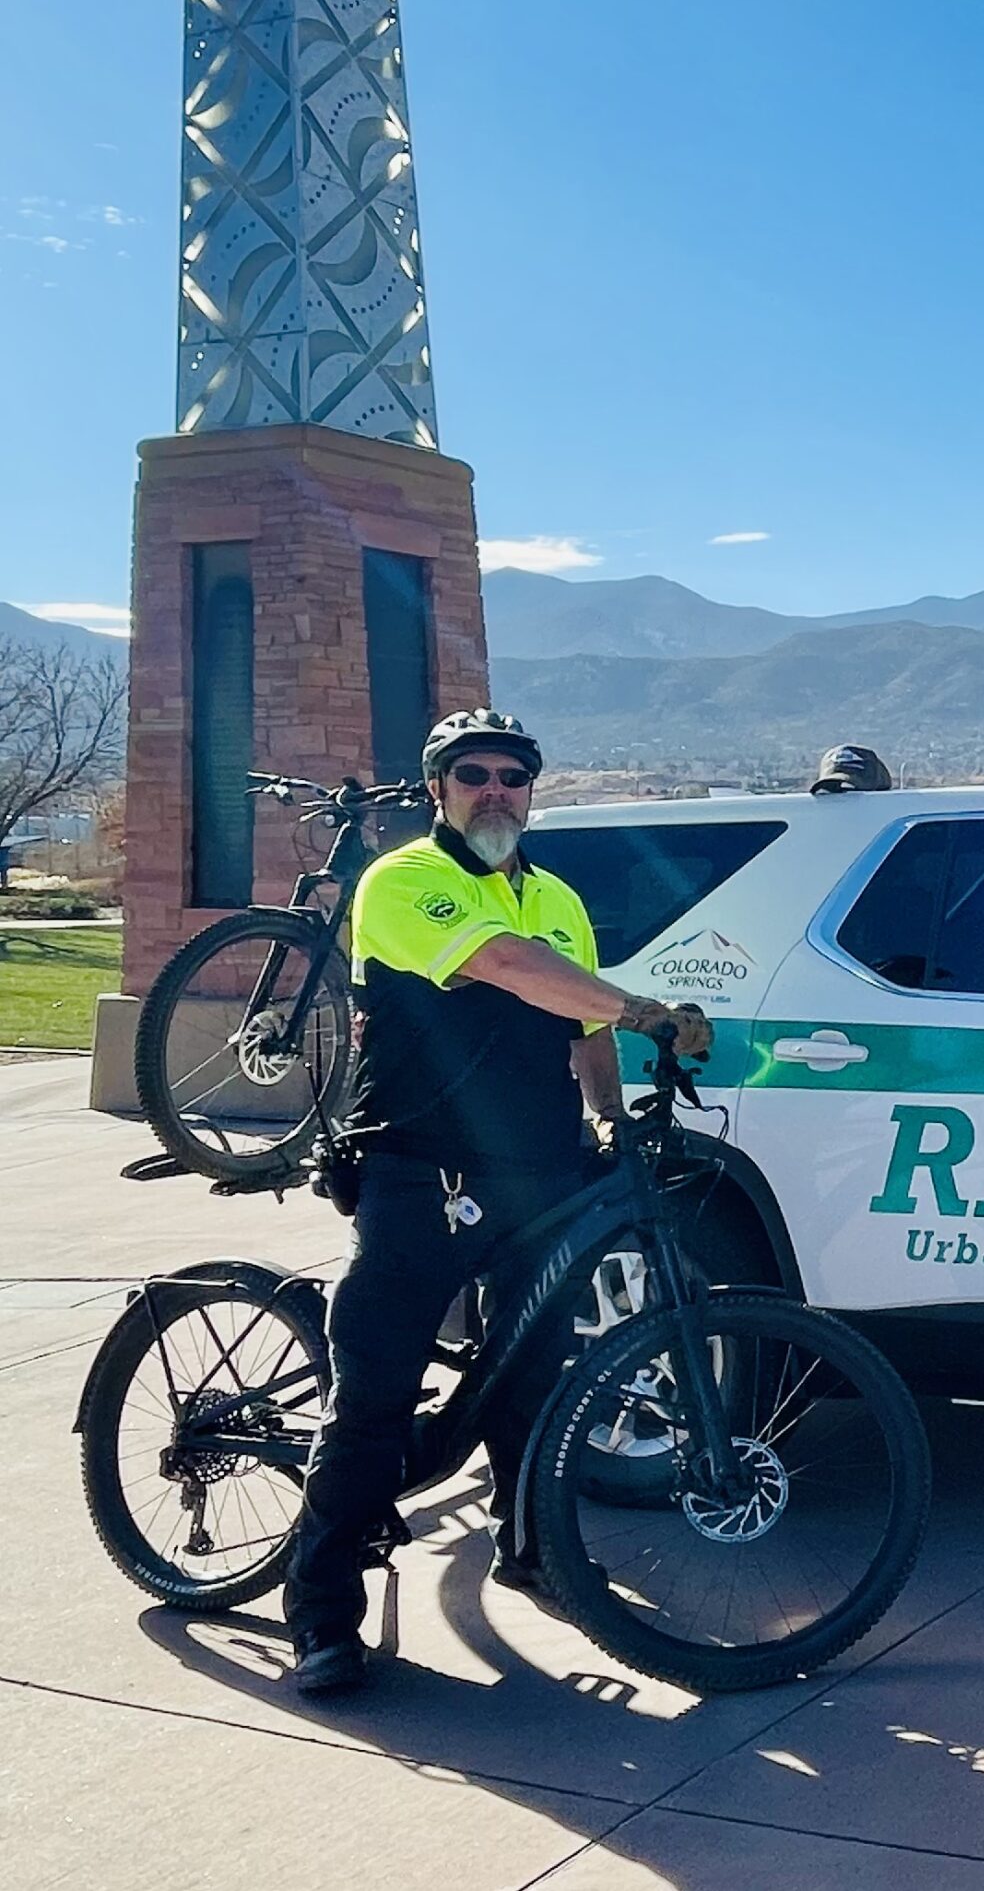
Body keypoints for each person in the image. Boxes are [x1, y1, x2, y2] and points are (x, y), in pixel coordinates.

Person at [283, 710, 710, 1697]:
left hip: (539, 1175)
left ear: (530, 791)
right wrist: (643, 1008)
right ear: (438, 788)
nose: (494, 790)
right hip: (419, 1167)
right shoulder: (401, 880)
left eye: (512, 776)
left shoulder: (556, 895)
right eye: (472, 773)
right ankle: (321, 1612)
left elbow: (579, 1023)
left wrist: (610, 1121)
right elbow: (507, 964)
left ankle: (529, 1551)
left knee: (531, 1381)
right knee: (374, 1399)